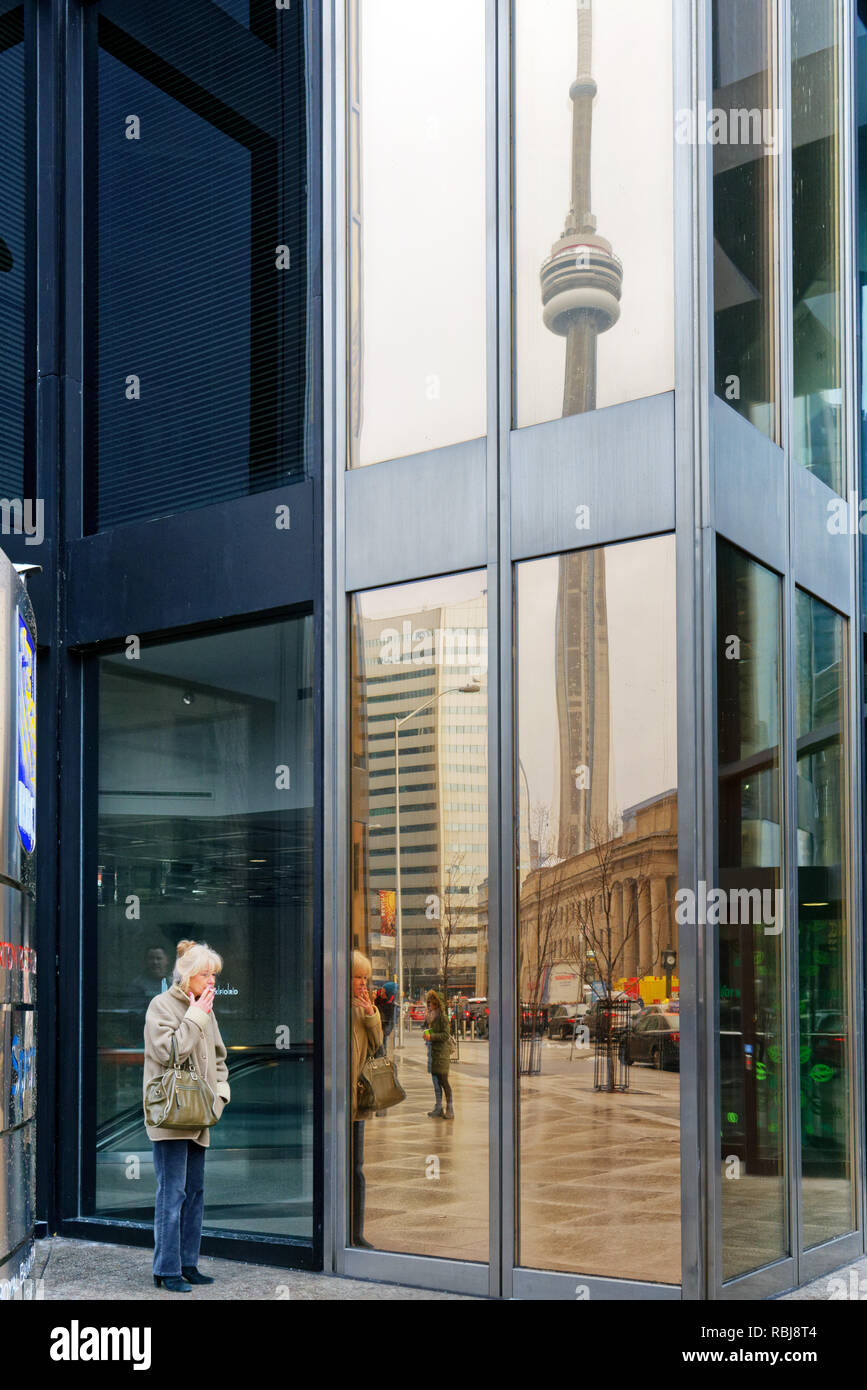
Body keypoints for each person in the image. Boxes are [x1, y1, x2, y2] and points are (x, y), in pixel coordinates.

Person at [143, 939, 231, 1293]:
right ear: (187, 975)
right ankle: (166, 1270)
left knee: (194, 1191)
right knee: (172, 1193)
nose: (211, 981)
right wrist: (195, 1017)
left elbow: (220, 1058)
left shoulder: (207, 1010)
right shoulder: (161, 1006)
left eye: (214, 974)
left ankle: (188, 1263)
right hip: (169, 1115)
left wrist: (221, 1095)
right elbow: (169, 1053)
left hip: (198, 1114)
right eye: (205, 974)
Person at [350, 951, 382, 1249]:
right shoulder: (333, 1005)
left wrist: (372, 1016)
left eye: (364, 977)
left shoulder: (367, 1009)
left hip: (357, 1104)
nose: (361, 982)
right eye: (357, 976)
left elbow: (378, 1046)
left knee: (356, 1169)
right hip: (334, 1102)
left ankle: (356, 1232)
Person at [424, 989, 453, 1119]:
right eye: (428, 1001)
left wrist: (432, 1036)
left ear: (437, 1003)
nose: (429, 1004)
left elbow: (446, 1035)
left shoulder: (443, 1018)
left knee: (444, 1081)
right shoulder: (432, 1017)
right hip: (434, 1054)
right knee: (436, 1082)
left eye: (431, 1002)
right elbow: (432, 1031)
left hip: (442, 1054)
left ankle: (450, 1109)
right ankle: (438, 1107)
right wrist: (427, 1034)